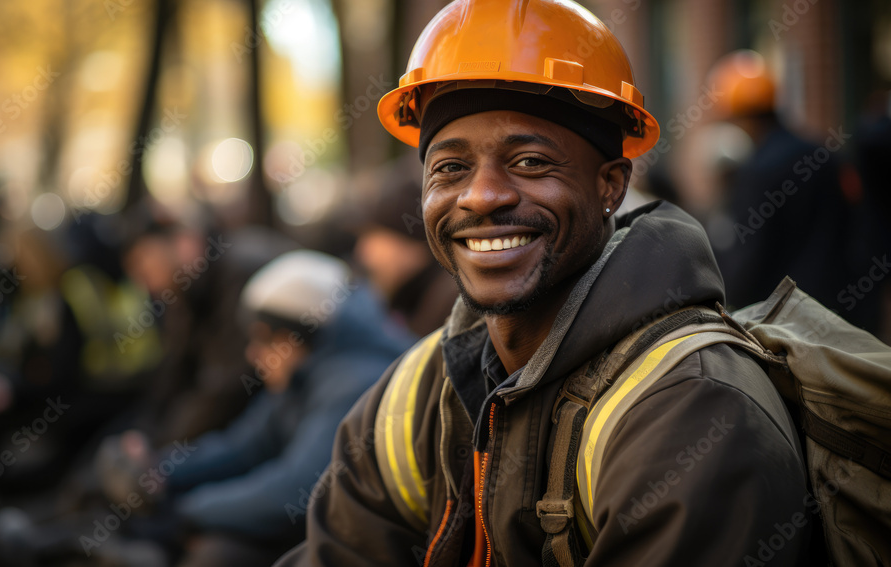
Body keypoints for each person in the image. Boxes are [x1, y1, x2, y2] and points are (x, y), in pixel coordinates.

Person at [276, 1, 813, 566]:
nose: (482, 196)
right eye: (449, 168)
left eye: (530, 162)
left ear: (610, 185)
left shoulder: (694, 410)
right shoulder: (419, 392)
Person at [98, 250, 412, 566]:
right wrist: (158, 472)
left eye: (263, 339)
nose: (252, 354)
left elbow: (295, 492)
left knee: (219, 554)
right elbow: (242, 447)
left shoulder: (354, 384)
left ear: (297, 337)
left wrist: (183, 512)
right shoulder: (306, 374)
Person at [705, 50, 854, 315]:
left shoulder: (757, 172)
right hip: (839, 309)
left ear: (741, 118)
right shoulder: (823, 155)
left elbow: (747, 263)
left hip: (789, 323)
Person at [353, 154, 458, 336]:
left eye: (374, 238)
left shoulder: (449, 307)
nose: (363, 252)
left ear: (413, 247)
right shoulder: (411, 300)